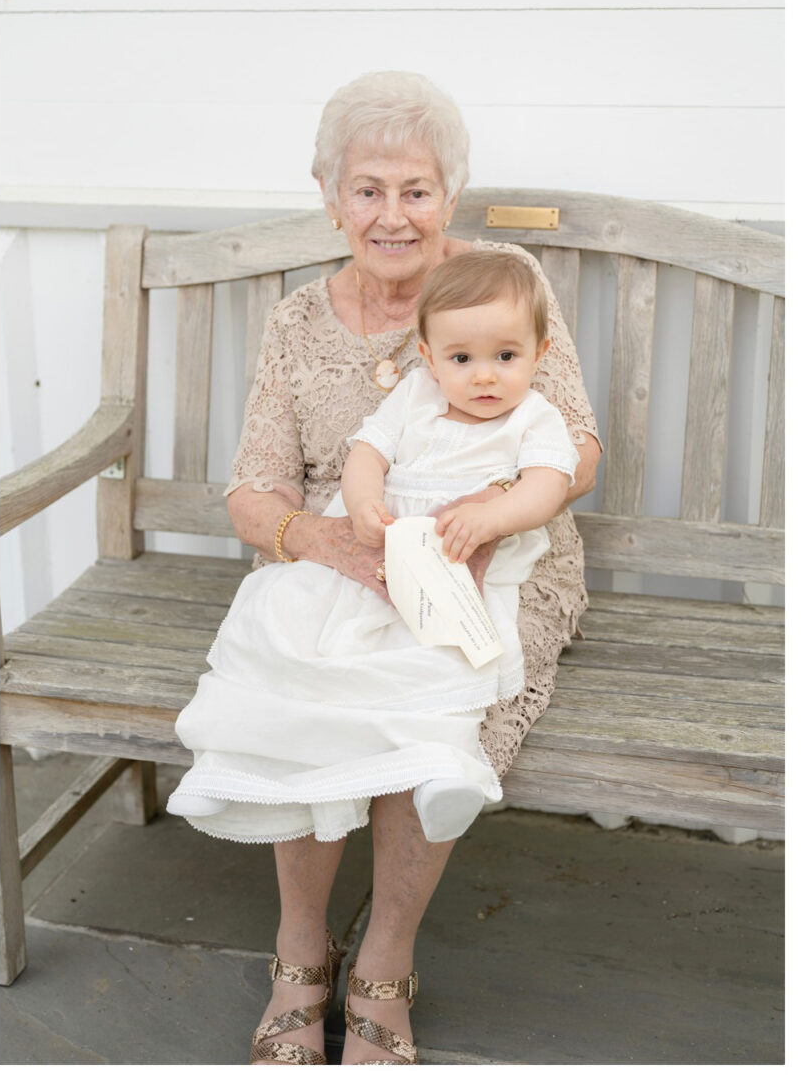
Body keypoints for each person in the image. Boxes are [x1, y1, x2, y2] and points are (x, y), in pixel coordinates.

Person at [213, 72, 601, 1065]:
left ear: (449, 195)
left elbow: (578, 450)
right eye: (369, 189)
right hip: (342, 558)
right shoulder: (299, 320)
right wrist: (336, 542)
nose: (393, 215)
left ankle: (384, 957)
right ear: (328, 193)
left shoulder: (498, 283)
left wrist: (489, 516)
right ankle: (299, 948)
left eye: (416, 190)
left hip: (497, 564)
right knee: (301, 678)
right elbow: (254, 492)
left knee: (432, 703)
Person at [168, 248, 578, 850]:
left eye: (506, 357)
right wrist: (361, 504)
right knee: (281, 618)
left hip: (460, 563)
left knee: (438, 660)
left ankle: (446, 769)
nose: (485, 376)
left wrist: (492, 516)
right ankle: (226, 765)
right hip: (377, 543)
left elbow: (549, 486)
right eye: (462, 359)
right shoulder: (414, 396)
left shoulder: (534, 418)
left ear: (539, 355)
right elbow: (369, 454)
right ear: (429, 358)